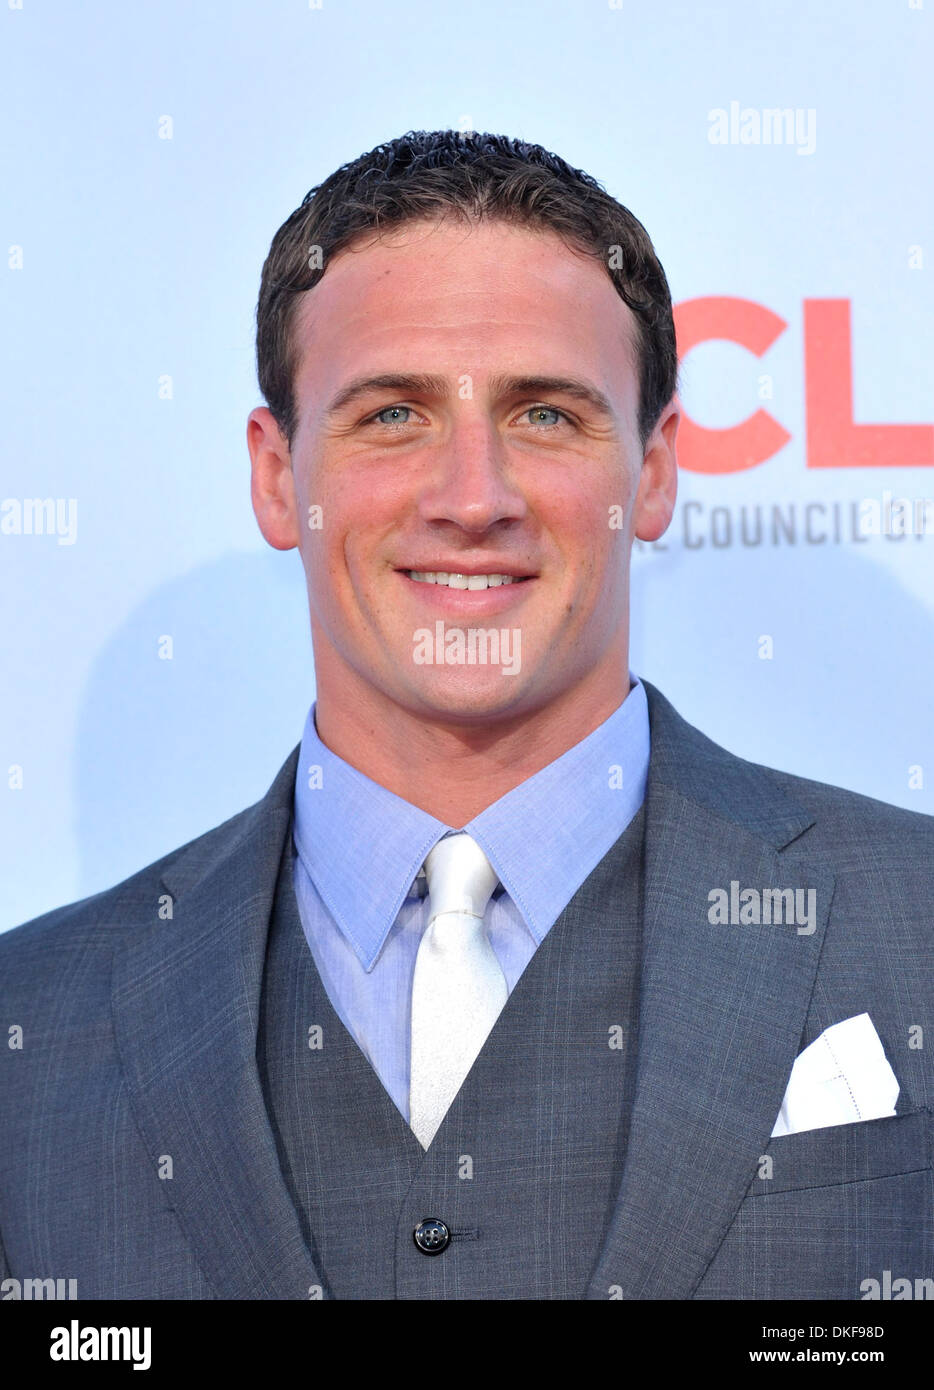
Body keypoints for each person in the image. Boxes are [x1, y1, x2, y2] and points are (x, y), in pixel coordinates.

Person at [1, 131, 931, 1302]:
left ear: (652, 473)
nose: (472, 497)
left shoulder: (915, 922)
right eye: (393, 414)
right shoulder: (30, 1026)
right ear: (278, 477)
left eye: (545, 415)